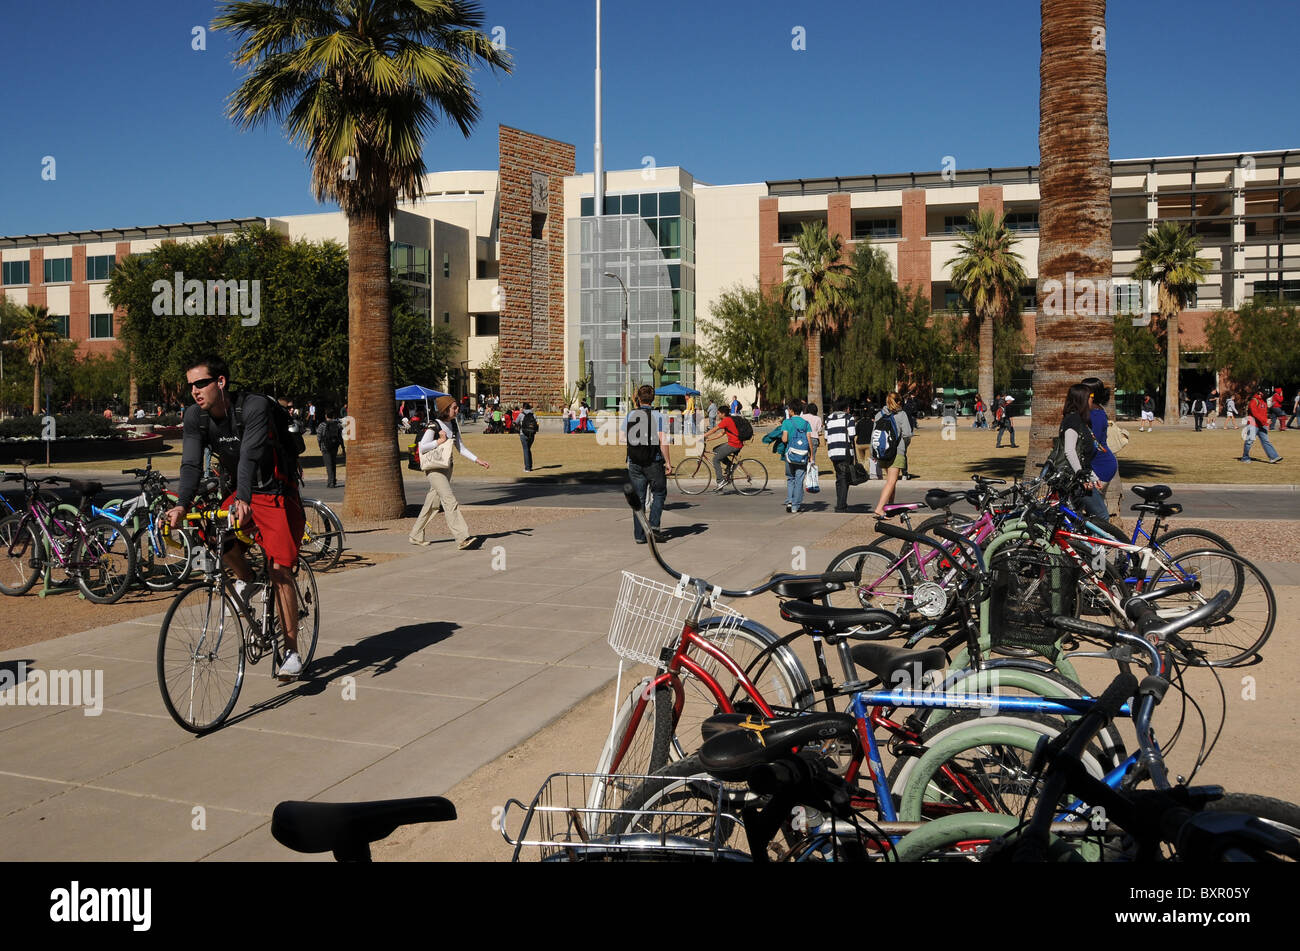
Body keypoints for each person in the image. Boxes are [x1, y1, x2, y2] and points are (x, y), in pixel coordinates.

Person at [165, 356, 308, 679]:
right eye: (191, 386)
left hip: (273, 491)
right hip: (241, 491)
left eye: (201, 383)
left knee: (280, 569)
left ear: (221, 382)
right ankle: (248, 578)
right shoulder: (195, 417)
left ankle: (291, 651)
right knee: (212, 535)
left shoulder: (253, 407)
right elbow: (190, 465)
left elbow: (249, 455)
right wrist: (182, 505)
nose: (195, 391)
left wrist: (243, 498)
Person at [410, 395, 491, 548]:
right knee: (449, 500)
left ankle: (415, 534)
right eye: (454, 407)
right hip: (434, 469)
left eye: (456, 406)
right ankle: (462, 538)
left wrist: (477, 460)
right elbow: (423, 446)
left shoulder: (453, 424)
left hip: (447, 468)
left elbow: (460, 447)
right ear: (445, 410)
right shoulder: (434, 425)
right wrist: (439, 441)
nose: (457, 409)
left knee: (432, 504)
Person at [624, 384, 672, 544]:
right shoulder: (658, 416)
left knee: (638, 499)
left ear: (638, 398)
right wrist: (668, 462)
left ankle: (639, 535)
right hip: (653, 461)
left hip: (634, 461)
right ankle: (654, 529)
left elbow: (623, 438)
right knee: (658, 493)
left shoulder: (630, 415)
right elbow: (662, 440)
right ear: (653, 399)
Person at [1058, 382, 1107, 520]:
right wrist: (1082, 477)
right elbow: (1069, 451)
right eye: (1091, 396)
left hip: (1080, 478)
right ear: (1082, 399)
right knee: (1101, 515)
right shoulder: (1073, 420)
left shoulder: (1079, 420)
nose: (1093, 399)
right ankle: (1097, 542)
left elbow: (1082, 455)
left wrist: (1093, 476)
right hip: (1075, 481)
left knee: (1078, 518)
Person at [1080, 378, 1117, 515]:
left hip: (1100, 467)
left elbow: (1091, 445)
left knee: (1097, 515)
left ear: (1092, 395)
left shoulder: (1094, 414)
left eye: (1084, 392)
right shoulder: (1095, 411)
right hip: (1101, 463)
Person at [872, 392, 913, 516]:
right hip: (896, 452)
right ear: (899, 402)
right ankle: (880, 508)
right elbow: (907, 434)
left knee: (891, 481)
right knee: (891, 481)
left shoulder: (879, 414)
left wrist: (873, 452)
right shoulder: (901, 414)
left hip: (882, 451)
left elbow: (873, 435)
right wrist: (904, 447)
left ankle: (890, 506)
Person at [774, 398, 812, 514]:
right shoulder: (806, 423)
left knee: (790, 478)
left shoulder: (786, 422)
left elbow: (784, 439)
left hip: (790, 455)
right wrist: (812, 456)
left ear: (790, 410)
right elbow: (809, 440)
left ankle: (790, 501)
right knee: (799, 480)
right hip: (802, 456)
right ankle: (796, 505)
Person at [825, 397, 856, 513]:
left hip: (833, 452)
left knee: (840, 477)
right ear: (846, 408)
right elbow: (852, 435)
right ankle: (841, 505)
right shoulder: (849, 418)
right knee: (844, 478)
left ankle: (841, 502)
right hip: (845, 452)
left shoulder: (829, 418)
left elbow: (826, 437)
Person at [701, 407, 743, 491]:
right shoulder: (729, 419)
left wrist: (703, 435)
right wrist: (710, 439)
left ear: (723, 414)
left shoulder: (726, 420)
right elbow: (721, 433)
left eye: (719, 413)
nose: (718, 414)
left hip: (734, 444)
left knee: (716, 459)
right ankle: (730, 465)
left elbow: (714, 429)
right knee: (716, 449)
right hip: (735, 443)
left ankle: (720, 481)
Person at [1241, 387, 1282, 464]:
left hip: (1262, 425)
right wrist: (1265, 420)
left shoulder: (1264, 402)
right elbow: (1255, 414)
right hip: (1253, 424)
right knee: (1249, 441)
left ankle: (1273, 457)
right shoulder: (1254, 401)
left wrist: (1267, 421)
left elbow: (1264, 413)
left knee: (1266, 441)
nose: (1266, 395)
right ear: (1260, 393)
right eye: (1264, 393)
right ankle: (1245, 457)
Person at [315, 408, 343, 488]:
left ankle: (331, 482)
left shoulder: (322, 425)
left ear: (326, 415)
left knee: (328, 465)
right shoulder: (338, 424)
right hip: (334, 446)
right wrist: (342, 447)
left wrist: (320, 445)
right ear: (333, 415)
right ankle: (333, 480)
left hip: (325, 447)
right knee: (333, 463)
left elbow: (319, 436)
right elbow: (340, 437)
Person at [518, 401, 538, 471]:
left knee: (525, 450)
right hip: (532, 434)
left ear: (523, 407)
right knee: (528, 449)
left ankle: (527, 468)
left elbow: (516, 422)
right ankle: (530, 466)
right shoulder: (534, 415)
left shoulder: (521, 414)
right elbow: (536, 423)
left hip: (523, 434)